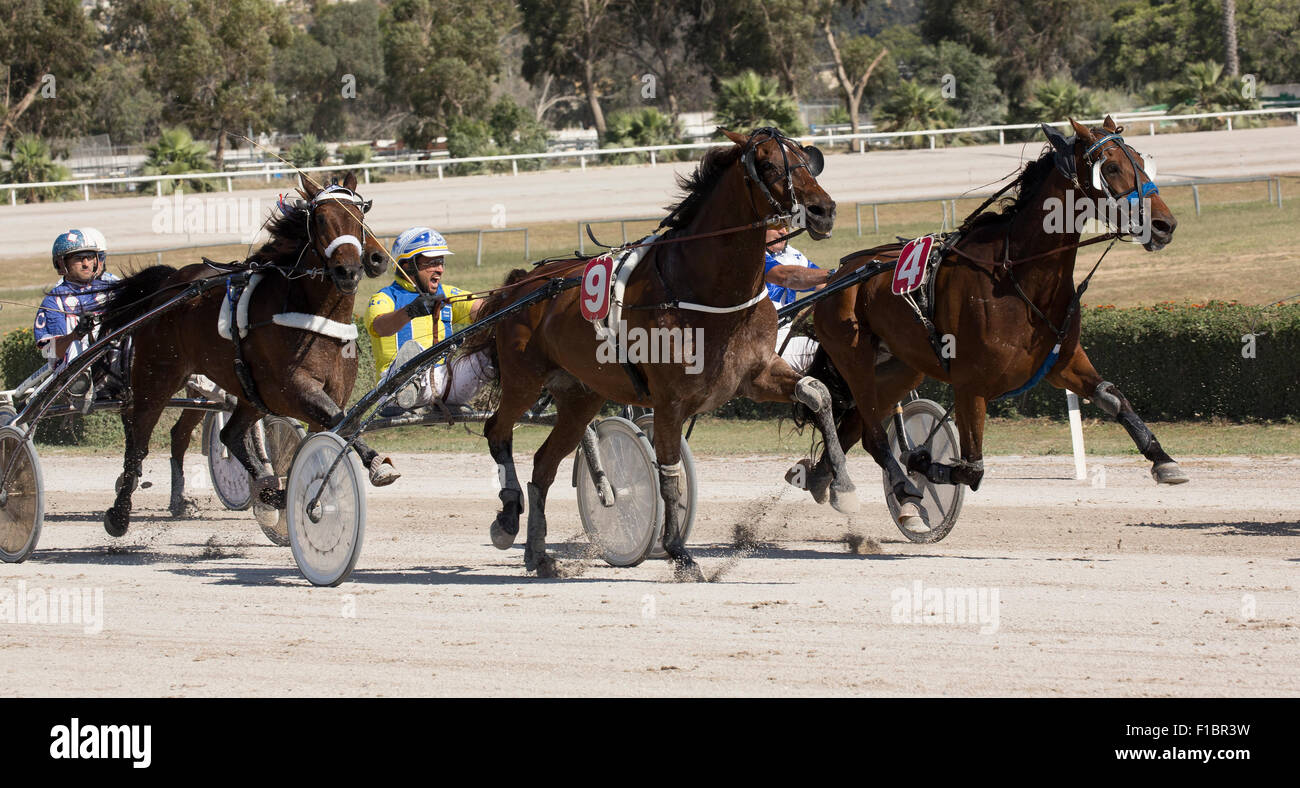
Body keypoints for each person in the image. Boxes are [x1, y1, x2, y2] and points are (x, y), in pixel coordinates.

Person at [365, 227, 494, 411]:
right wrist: (410, 311)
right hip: (393, 387)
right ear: (408, 265)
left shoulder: (447, 293)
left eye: (441, 262)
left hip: (446, 385)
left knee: (494, 347)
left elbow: (485, 310)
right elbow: (380, 327)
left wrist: (514, 300)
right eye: (432, 262)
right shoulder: (384, 298)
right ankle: (404, 397)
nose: (440, 269)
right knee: (413, 351)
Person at [33, 228, 124, 406]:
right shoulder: (54, 301)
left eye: (90, 257)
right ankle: (80, 386)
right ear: (62, 264)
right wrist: (75, 334)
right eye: (78, 258)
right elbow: (48, 351)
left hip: (114, 359)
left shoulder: (113, 286)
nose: (86, 264)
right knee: (75, 344)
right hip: (74, 367)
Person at [764, 225, 831, 374]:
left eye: (786, 226)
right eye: (776, 226)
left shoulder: (792, 254)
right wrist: (834, 273)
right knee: (833, 354)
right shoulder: (752, 256)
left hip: (783, 339)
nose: (783, 232)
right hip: (761, 346)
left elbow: (823, 284)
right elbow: (785, 276)